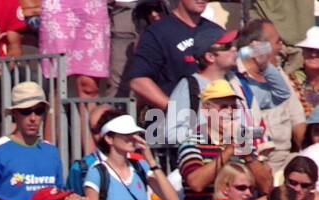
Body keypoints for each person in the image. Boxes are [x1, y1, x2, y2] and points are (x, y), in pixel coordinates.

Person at [84, 113, 177, 200]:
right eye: (126, 134)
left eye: (134, 134)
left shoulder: (140, 167)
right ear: (109, 138)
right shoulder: (97, 172)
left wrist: (151, 161)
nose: (133, 138)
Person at [236, 19, 305, 177]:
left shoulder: (278, 74)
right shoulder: (233, 78)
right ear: (258, 47)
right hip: (251, 164)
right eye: (277, 42)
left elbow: (298, 120)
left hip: (285, 162)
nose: (280, 47)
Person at [0, 81, 63, 200]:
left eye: (39, 111)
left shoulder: (51, 152)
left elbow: (59, 194)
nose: (33, 118)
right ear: (14, 113)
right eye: (26, 111)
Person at [128, 0, 225, 111]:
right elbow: (139, 81)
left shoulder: (216, 31)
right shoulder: (157, 33)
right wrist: (175, 110)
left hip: (217, 116)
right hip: (174, 118)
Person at [166, 27, 245, 146]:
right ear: (210, 57)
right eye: (227, 46)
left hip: (232, 155)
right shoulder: (189, 86)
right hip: (200, 156)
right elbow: (171, 134)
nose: (234, 48)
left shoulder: (235, 82)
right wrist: (208, 134)